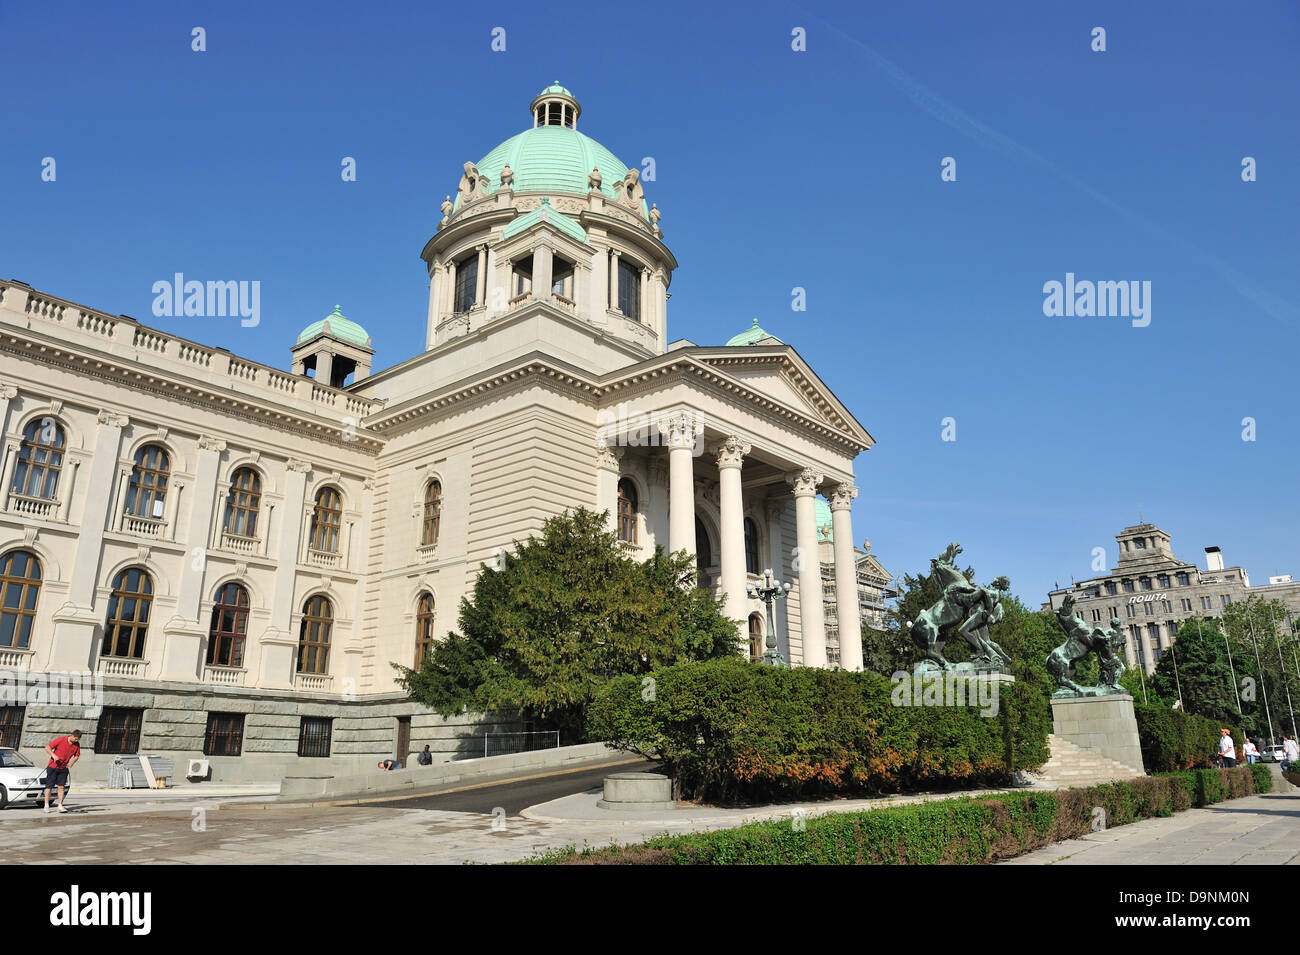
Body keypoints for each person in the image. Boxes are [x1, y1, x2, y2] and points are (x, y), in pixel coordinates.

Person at [42, 729, 82, 813]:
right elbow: (47, 747)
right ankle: (46, 805)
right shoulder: (61, 739)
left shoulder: (76, 744)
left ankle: (60, 805)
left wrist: (71, 763)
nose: (76, 741)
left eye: (77, 740)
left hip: (64, 768)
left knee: (61, 787)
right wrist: (53, 755)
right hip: (53, 766)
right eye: (76, 739)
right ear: (72, 735)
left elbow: (77, 756)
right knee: (49, 786)